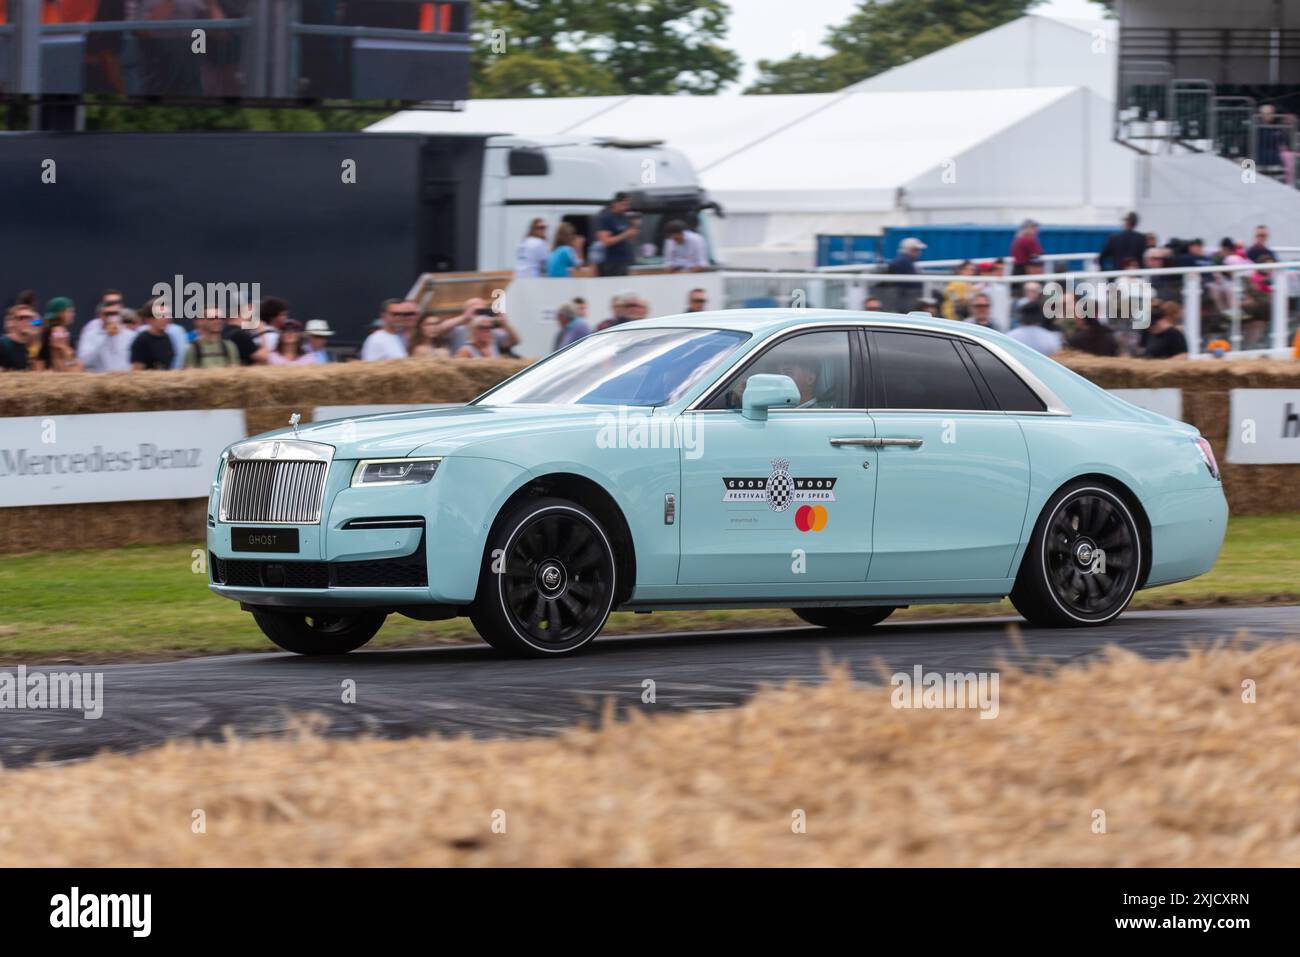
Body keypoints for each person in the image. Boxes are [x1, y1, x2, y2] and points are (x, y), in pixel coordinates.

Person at [78, 296, 134, 372]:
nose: (112, 317)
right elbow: (85, 361)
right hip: (101, 379)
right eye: (108, 314)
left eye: (115, 313)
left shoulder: (131, 335)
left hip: (125, 380)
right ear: (100, 315)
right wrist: (106, 337)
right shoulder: (89, 335)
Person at [594, 192, 638, 277]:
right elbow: (605, 241)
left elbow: (628, 237)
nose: (627, 207)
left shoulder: (624, 217)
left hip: (624, 260)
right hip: (611, 262)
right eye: (624, 205)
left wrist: (633, 232)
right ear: (615, 203)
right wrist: (625, 234)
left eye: (628, 205)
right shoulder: (606, 218)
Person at [130, 301, 177, 370]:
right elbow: (137, 372)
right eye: (161, 316)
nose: (166, 318)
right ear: (149, 319)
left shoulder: (167, 338)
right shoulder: (141, 341)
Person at [883, 237, 926, 311]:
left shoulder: (903, 260)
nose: (919, 252)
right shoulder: (904, 262)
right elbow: (912, 283)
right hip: (904, 298)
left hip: (902, 297)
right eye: (916, 250)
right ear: (909, 250)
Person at [0, 304, 36, 371]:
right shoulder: (3, 344)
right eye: (21, 318)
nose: (26, 321)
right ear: (13, 322)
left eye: (29, 318)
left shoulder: (27, 347)